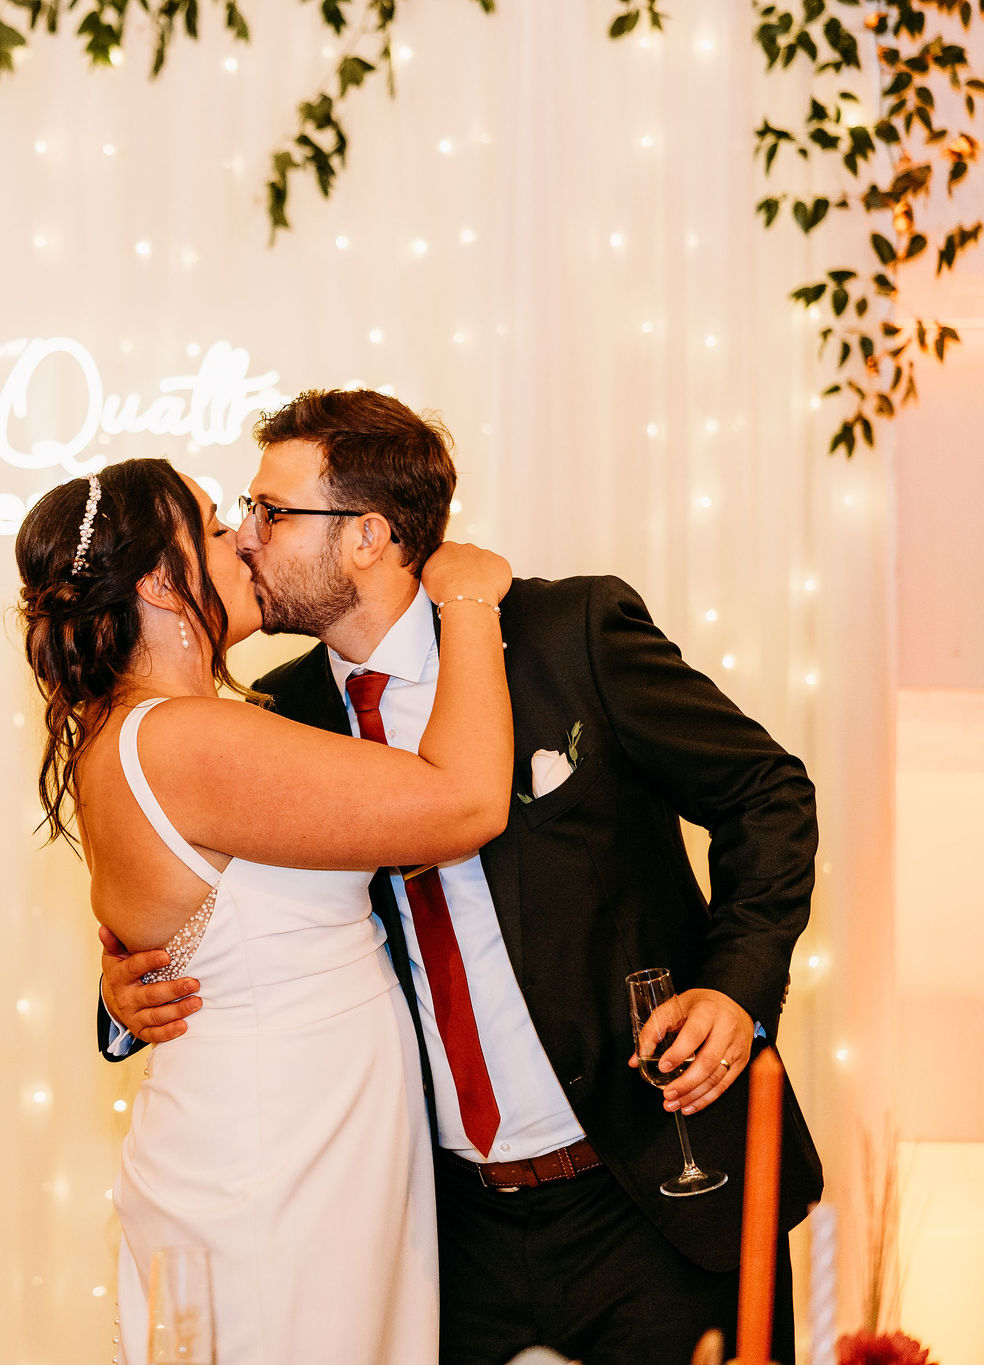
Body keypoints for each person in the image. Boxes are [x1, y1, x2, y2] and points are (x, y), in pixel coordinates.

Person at [99, 390, 824, 1365]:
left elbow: (764, 791)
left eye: (270, 513)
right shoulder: (279, 720)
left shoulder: (565, 635)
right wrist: (120, 990)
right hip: (440, 1234)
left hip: (646, 1190)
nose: (243, 539)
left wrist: (735, 989)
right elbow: (205, 903)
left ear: (364, 536)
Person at [15, 455, 519, 1365]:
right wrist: (472, 603)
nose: (244, 539)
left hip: (291, 1142)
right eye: (213, 527)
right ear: (163, 587)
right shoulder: (186, 738)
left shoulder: (132, 734)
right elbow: (468, 803)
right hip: (278, 1165)